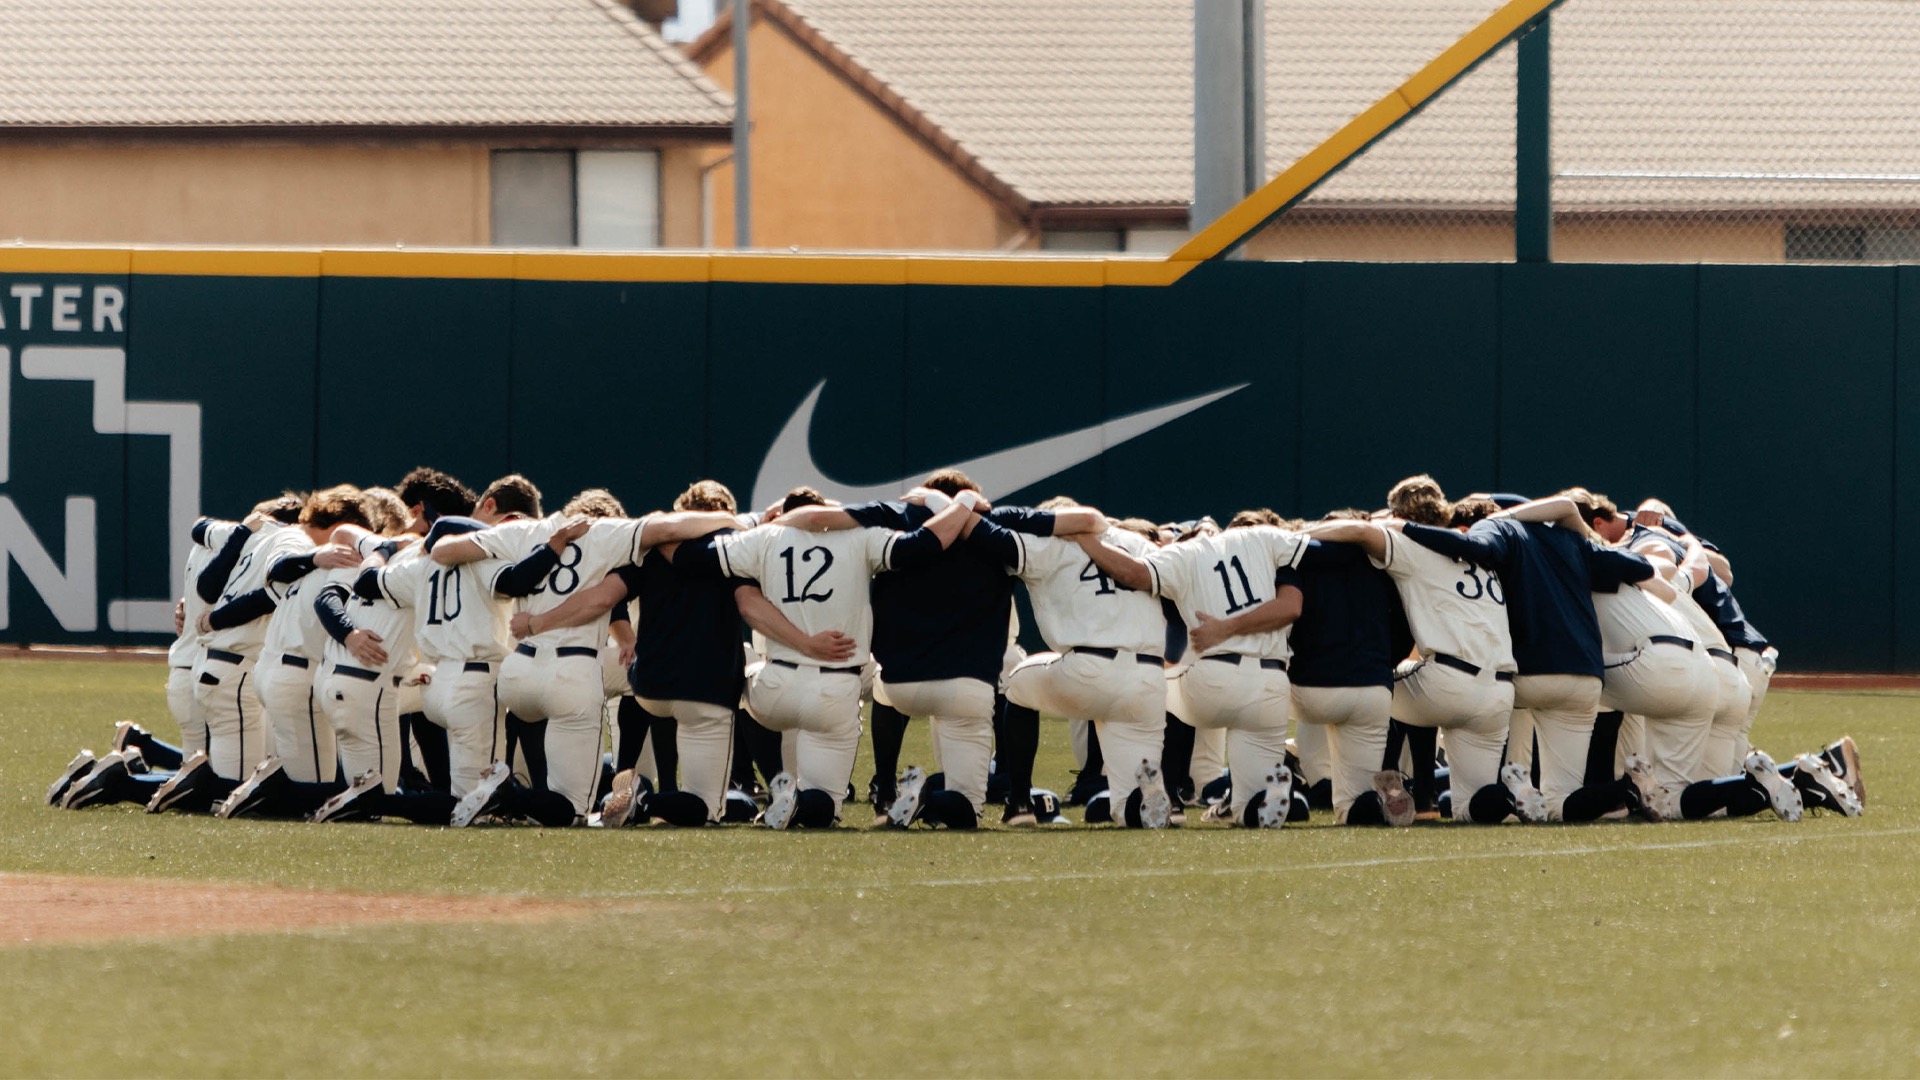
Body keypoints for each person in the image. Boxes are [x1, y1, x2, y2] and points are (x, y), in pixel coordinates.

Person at [673, 486, 970, 828]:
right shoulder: (861, 537)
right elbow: (927, 544)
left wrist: (747, 521)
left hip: (774, 686)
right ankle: (799, 803)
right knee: (827, 806)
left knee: (740, 676)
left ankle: (774, 784)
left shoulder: (762, 537)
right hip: (834, 687)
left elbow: (686, 555)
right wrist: (962, 502)